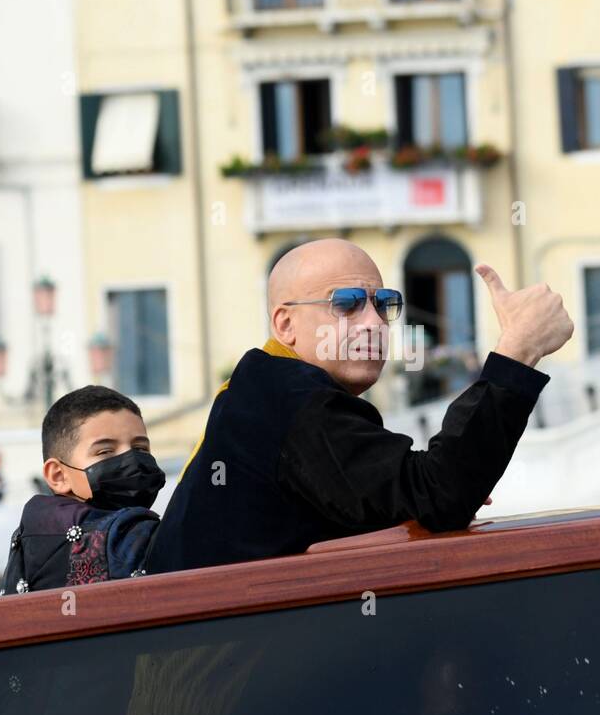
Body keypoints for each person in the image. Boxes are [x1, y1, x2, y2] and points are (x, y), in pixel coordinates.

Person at [152, 239, 573, 573]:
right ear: (285, 324)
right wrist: (519, 350)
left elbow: (419, 489)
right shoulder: (294, 400)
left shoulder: (260, 387)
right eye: (346, 304)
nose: (373, 322)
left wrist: (422, 486)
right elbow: (442, 494)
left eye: (382, 303)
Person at [0, 386, 165, 594]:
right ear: (59, 476)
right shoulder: (116, 539)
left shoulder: (32, 539)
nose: (132, 461)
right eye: (105, 451)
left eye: (140, 448)